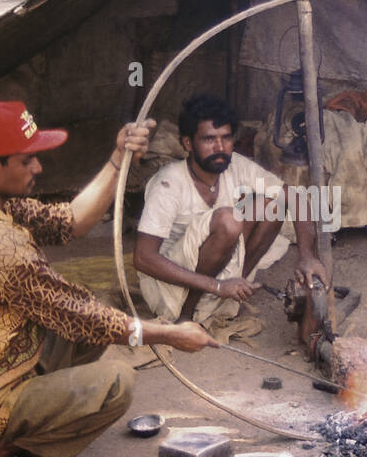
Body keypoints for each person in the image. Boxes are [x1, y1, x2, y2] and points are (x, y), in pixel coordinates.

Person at [0, 101, 217, 457]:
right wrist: (169, 334)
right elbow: (79, 315)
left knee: (89, 324)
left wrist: (118, 158)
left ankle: (11, 431)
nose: (38, 169)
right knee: (116, 383)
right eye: (27, 161)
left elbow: (71, 220)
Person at [133, 94, 327, 325]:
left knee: (271, 205)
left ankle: (232, 293)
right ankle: (187, 316)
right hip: (170, 293)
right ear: (188, 144)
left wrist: (307, 257)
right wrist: (216, 286)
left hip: (218, 282)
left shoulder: (235, 165)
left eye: (226, 138)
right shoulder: (168, 184)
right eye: (208, 139)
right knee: (228, 219)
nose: (220, 147)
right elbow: (143, 258)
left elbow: (295, 197)